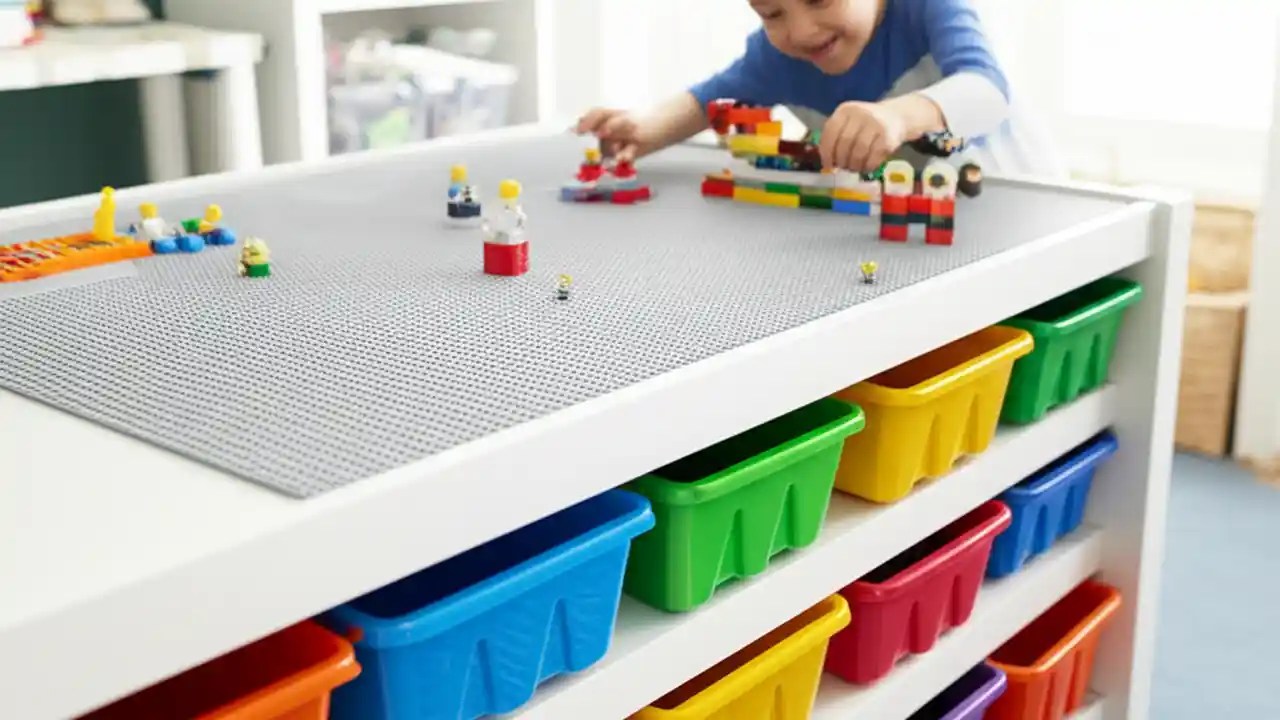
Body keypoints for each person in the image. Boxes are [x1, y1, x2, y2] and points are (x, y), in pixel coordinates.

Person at [575, 0, 1063, 177]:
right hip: (923, 222)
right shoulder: (778, 57)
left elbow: (988, 89)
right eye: (772, 14)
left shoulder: (927, 8)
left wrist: (899, 115)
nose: (803, 31)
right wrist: (644, 130)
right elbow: (708, 100)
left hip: (1019, 190)